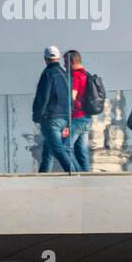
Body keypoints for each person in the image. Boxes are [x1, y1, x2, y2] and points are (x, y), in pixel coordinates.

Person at [32, 45, 75, 173]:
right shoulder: (66, 75)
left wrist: (37, 116)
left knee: (58, 150)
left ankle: (77, 175)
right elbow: (71, 100)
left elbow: (42, 97)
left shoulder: (47, 74)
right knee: (48, 153)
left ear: (45, 59)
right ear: (59, 58)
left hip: (51, 118)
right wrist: (68, 121)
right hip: (64, 118)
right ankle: (42, 179)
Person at [64, 50, 93, 173]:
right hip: (87, 118)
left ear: (72, 62)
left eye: (65, 63)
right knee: (82, 154)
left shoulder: (75, 76)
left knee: (64, 148)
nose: (64, 66)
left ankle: (78, 173)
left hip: (77, 118)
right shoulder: (86, 74)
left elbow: (71, 98)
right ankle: (87, 180)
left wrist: (66, 122)